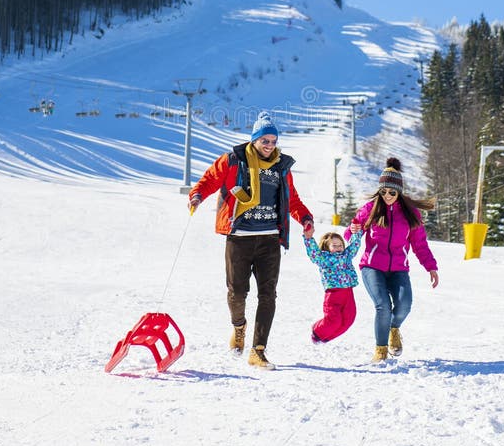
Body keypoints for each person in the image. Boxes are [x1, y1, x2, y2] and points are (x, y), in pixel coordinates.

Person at [188, 111, 314, 370]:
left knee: (268, 295)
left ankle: (258, 350)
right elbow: (210, 179)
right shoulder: (233, 160)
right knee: (237, 293)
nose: (269, 145)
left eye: (273, 140)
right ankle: (238, 327)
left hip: (269, 238)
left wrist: (306, 218)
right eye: (264, 140)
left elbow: (291, 200)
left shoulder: (281, 167)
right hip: (240, 237)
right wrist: (197, 195)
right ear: (254, 139)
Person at [344, 156, 438, 363]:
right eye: (383, 191)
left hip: (398, 269)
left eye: (392, 192)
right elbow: (350, 235)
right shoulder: (370, 209)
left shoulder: (411, 214)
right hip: (372, 267)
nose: (387, 196)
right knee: (383, 306)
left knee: (404, 304)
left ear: (399, 192)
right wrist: (352, 231)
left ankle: (394, 329)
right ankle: (380, 350)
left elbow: (420, 244)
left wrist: (431, 267)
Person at [303, 222, 363, 343]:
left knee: (349, 319)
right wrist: (308, 239)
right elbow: (314, 253)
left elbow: (354, 246)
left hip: (348, 293)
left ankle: (325, 337)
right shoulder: (324, 258)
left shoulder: (346, 255)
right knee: (334, 320)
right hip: (333, 294)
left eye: (340, 245)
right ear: (326, 246)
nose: (338, 247)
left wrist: (356, 233)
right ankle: (317, 330)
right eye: (334, 245)